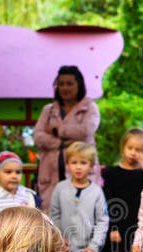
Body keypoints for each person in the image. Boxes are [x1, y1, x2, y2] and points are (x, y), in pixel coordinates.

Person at [33, 65, 101, 211]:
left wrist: (57, 130)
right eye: (61, 84)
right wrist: (62, 143)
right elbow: (38, 137)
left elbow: (85, 132)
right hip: (50, 175)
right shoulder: (48, 110)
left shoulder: (89, 107)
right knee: (52, 220)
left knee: (80, 218)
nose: (65, 88)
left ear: (79, 84)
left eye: (69, 83)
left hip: (80, 172)